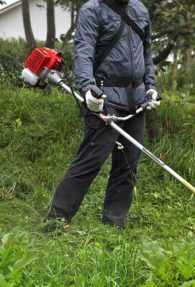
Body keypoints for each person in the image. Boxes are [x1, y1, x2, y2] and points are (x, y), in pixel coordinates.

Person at [45, 0, 160, 231]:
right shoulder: (93, 10)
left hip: (137, 99)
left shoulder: (139, 10)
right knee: (91, 160)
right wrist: (87, 88)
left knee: (128, 165)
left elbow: (146, 53)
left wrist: (150, 86)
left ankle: (114, 224)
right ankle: (57, 220)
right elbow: (84, 52)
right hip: (104, 99)